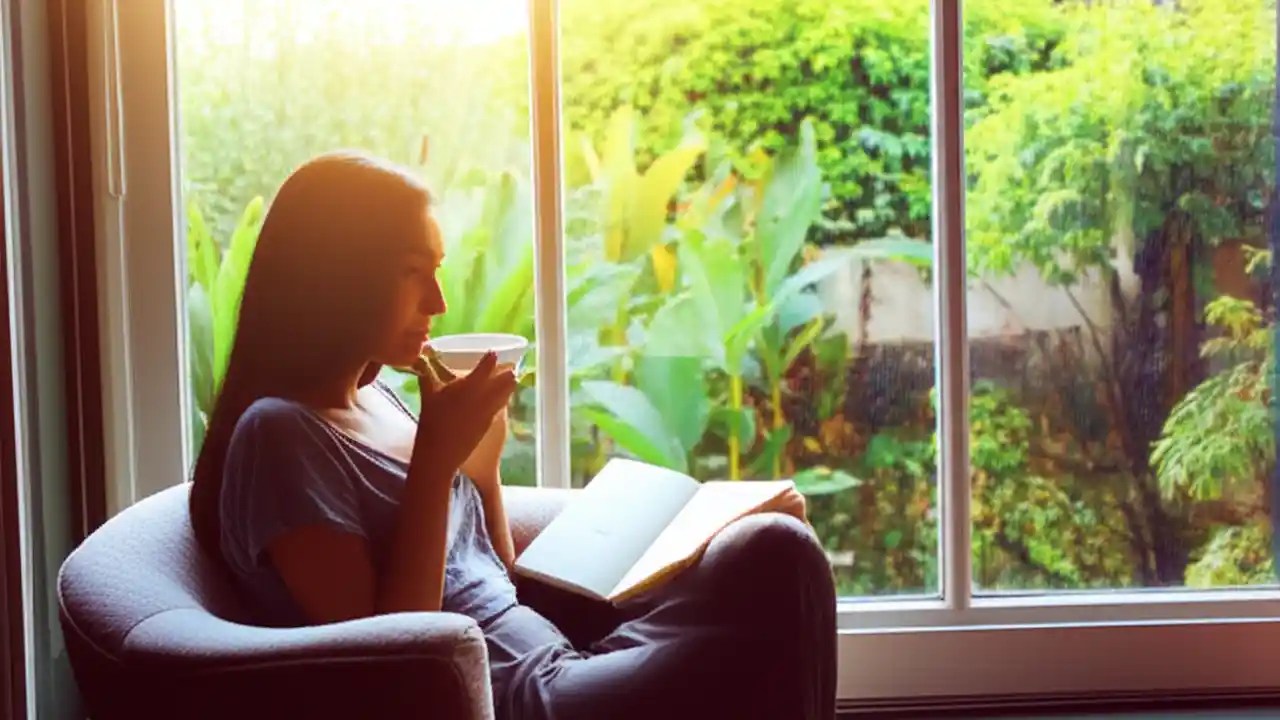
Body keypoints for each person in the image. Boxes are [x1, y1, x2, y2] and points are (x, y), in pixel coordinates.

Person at [188, 150, 837, 720]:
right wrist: (435, 461)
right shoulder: (279, 436)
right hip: (517, 699)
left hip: (562, 654)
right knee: (779, 570)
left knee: (765, 552)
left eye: (437, 270)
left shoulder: (379, 399)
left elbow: (492, 577)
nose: (438, 302)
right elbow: (391, 669)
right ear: (337, 274)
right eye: (414, 271)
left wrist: (482, 471)